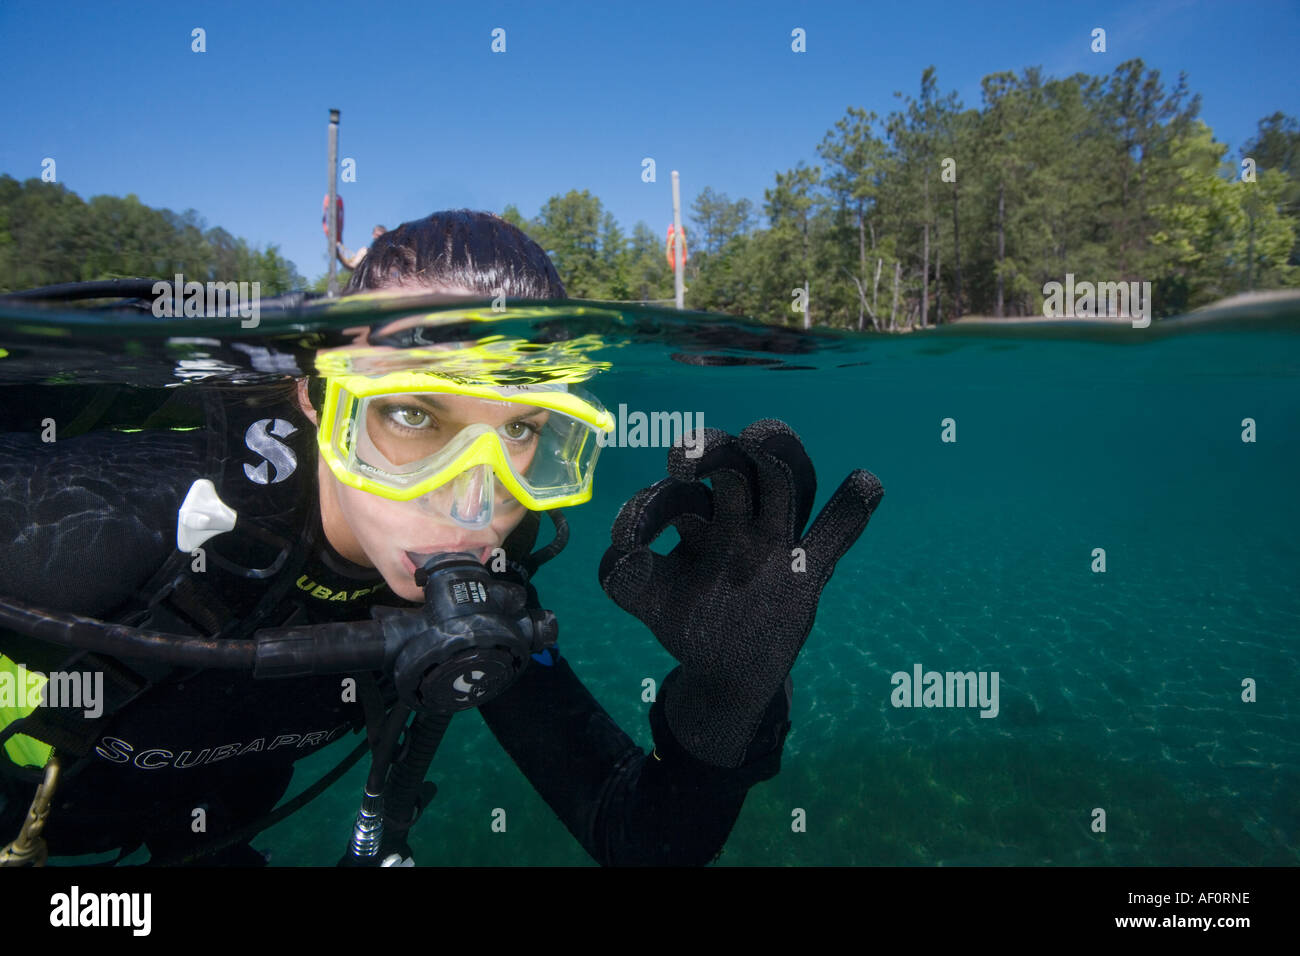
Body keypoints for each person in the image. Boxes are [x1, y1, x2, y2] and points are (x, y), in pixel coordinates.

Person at [0, 210, 884, 866]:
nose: (468, 508)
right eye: (413, 416)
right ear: (314, 401)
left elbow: (638, 837)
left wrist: (728, 704)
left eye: (523, 433)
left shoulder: (481, 592)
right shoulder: (125, 519)